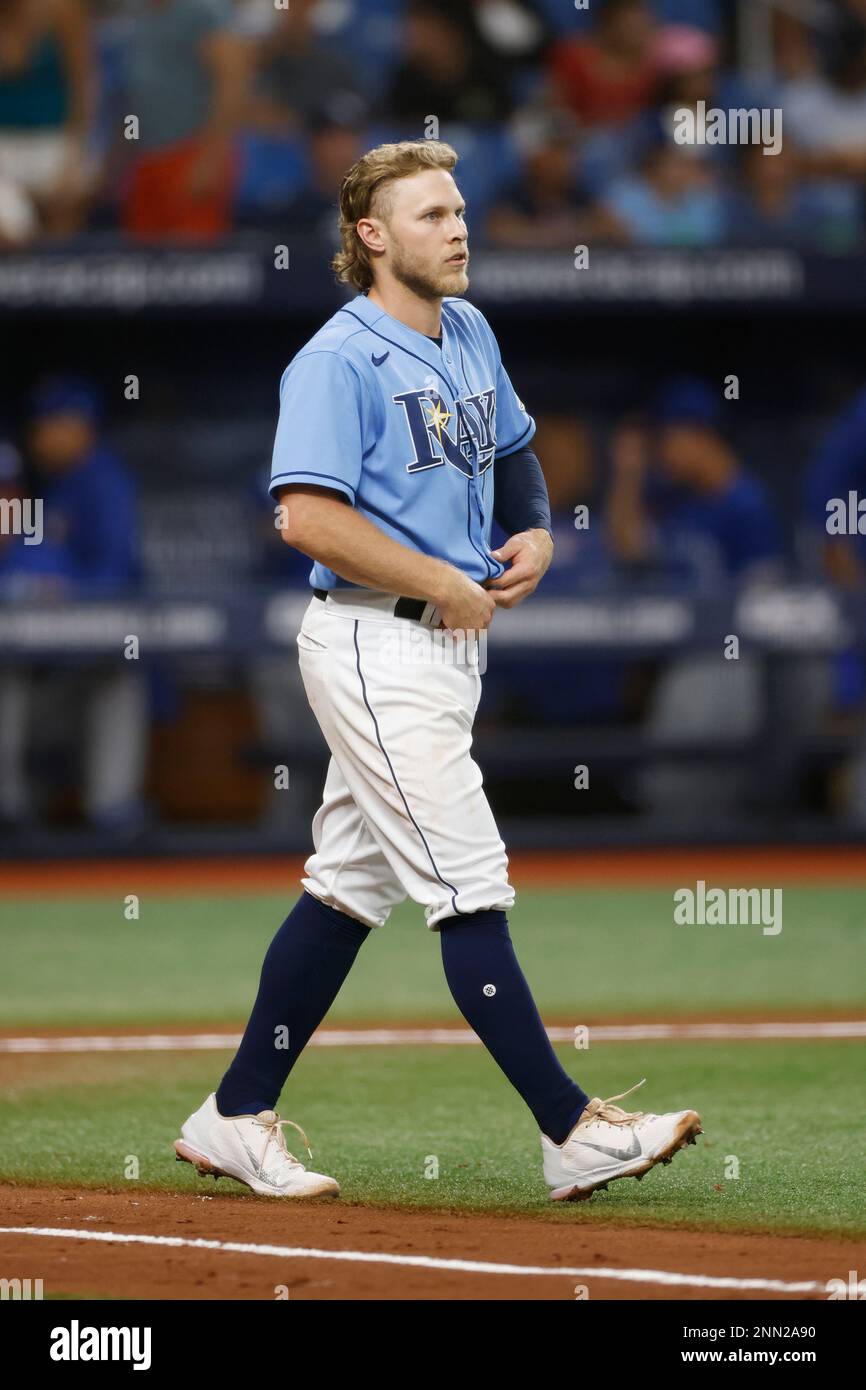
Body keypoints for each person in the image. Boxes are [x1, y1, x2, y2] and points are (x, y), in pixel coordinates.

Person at [173, 138, 702, 1203]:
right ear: (370, 236)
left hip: (445, 639)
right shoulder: (336, 358)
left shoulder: (466, 328)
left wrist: (539, 534)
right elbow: (306, 517)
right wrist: (438, 577)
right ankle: (569, 1128)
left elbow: (511, 454)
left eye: (459, 209)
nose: (457, 228)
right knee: (469, 884)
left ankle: (234, 1112)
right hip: (374, 637)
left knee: (345, 889)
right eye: (428, 214)